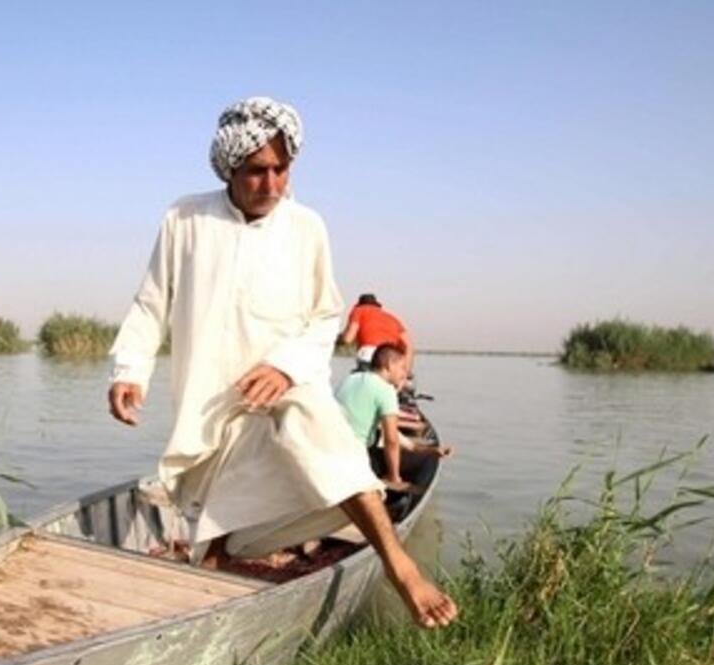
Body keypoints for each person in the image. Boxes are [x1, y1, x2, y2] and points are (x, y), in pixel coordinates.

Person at [106, 97, 456, 629]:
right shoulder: (185, 218)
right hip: (213, 387)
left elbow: (323, 316)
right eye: (256, 171)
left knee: (322, 438)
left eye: (281, 169)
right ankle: (217, 561)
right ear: (229, 169)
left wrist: (287, 368)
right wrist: (130, 369)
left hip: (290, 379)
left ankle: (398, 565)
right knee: (219, 484)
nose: (271, 184)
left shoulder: (307, 226)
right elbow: (154, 301)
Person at [335, 343, 453, 491]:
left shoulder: (350, 379)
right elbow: (391, 440)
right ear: (389, 365)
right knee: (428, 462)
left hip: (333, 450)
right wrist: (394, 477)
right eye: (402, 367)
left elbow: (389, 434)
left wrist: (425, 448)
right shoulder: (385, 390)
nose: (405, 373)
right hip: (356, 457)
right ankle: (390, 484)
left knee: (421, 453)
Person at [338, 293, 412, 367]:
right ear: (376, 305)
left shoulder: (358, 310)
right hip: (392, 357)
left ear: (359, 304)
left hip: (370, 354)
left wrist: (337, 339)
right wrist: (406, 370)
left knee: (361, 378)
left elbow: (348, 338)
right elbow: (409, 346)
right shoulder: (392, 318)